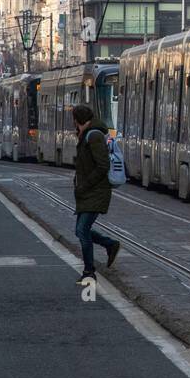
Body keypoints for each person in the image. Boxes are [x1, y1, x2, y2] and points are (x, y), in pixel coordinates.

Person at [71, 103, 120, 284]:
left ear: (77, 120)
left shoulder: (94, 136)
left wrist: (85, 185)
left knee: (82, 231)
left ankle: (89, 271)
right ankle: (109, 244)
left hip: (95, 191)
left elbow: (102, 166)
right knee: (80, 230)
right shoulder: (87, 134)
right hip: (88, 192)